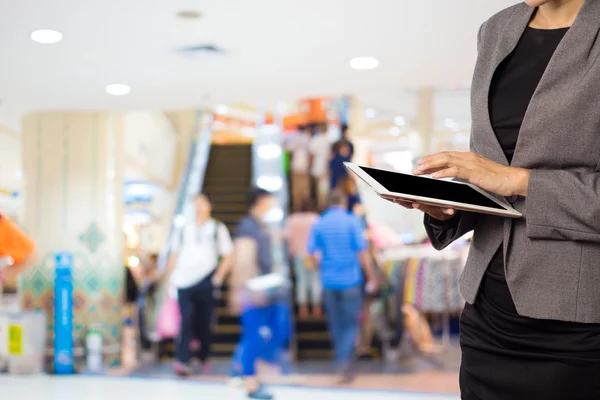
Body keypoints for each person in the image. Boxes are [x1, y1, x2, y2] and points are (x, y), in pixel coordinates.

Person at [394, 1, 600, 398]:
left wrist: (518, 180)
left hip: (579, 325)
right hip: (486, 314)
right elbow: (492, 173)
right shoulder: (496, 30)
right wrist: (446, 209)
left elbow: (507, 178)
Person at [307, 190, 377, 383]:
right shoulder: (351, 221)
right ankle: (343, 363)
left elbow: (311, 253)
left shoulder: (319, 223)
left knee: (336, 324)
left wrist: (320, 267)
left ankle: (341, 359)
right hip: (350, 281)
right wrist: (371, 277)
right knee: (350, 324)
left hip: (328, 281)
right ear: (343, 202)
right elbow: (362, 253)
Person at [167, 192, 234, 376]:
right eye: (195, 203)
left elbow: (229, 255)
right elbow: (173, 255)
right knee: (185, 320)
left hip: (206, 280)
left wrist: (217, 278)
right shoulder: (183, 229)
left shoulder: (216, 228)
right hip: (183, 281)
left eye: (201, 203)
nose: (198, 207)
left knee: (204, 322)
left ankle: (203, 356)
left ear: (210, 205)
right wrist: (168, 280)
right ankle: (182, 360)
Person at [284, 199, 321, 319]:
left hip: (298, 254)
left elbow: (287, 236)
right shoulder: (315, 218)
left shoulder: (292, 219)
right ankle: (316, 308)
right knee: (315, 281)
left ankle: (303, 309)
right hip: (313, 254)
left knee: (301, 281)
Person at [286, 125, 311, 211]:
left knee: (296, 188)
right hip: (305, 166)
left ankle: (297, 206)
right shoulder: (308, 138)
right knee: (305, 188)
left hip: (295, 165)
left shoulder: (294, 139)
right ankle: (305, 206)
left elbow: (288, 149)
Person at [308, 124, 332, 211]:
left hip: (317, 167)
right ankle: (324, 206)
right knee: (325, 188)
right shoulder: (328, 140)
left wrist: (310, 166)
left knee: (319, 189)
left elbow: (312, 155)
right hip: (325, 167)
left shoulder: (315, 139)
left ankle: (320, 206)